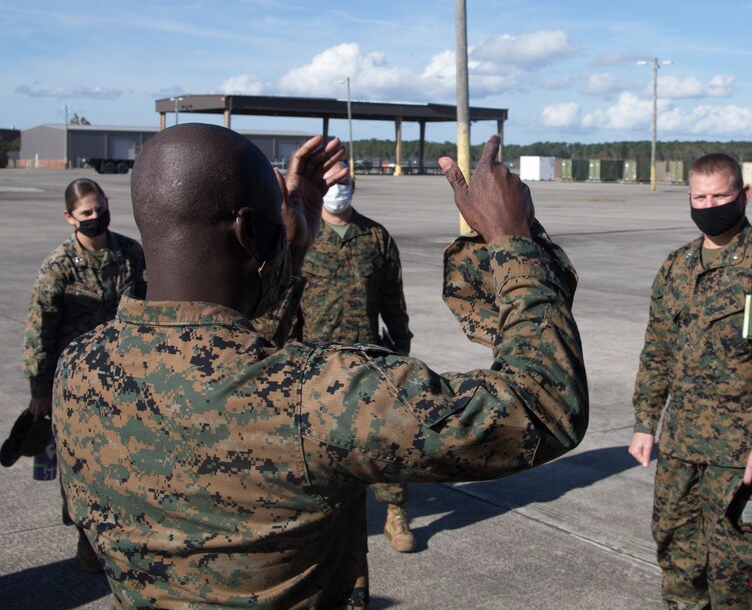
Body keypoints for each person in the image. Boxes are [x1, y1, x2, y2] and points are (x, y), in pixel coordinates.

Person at [52, 123, 588, 609]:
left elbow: (229, 349)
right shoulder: (318, 395)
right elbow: (541, 407)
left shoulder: (79, 370)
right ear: (247, 232)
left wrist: (286, 250)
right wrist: (512, 242)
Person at [628, 153, 752, 609]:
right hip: (680, 447)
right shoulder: (676, 267)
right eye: (700, 196)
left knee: (737, 568)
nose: (709, 204)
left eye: (719, 195)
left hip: (743, 455)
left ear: (743, 196)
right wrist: (644, 422)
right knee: (677, 557)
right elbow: (657, 350)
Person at [21, 177, 147, 573]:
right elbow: (39, 332)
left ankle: (125, 537)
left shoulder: (130, 254)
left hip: (125, 378)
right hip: (74, 383)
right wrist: (40, 390)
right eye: (86, 213)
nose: (95, 217)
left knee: (127, 460)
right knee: (81, 465)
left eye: (99, 208)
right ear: (70, 218)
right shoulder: (58, 267)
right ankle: (87, 541)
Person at [302, 177, 417, 554]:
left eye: (344, 181)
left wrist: (400, 347)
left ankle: (395, 513)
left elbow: (392, 299)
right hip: (316, 360)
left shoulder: (375, 237)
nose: (338, 188)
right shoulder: (302, 235)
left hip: (368, 358)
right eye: (331, 182)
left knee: (384, 438)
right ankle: (319, 517)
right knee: (316, 443)